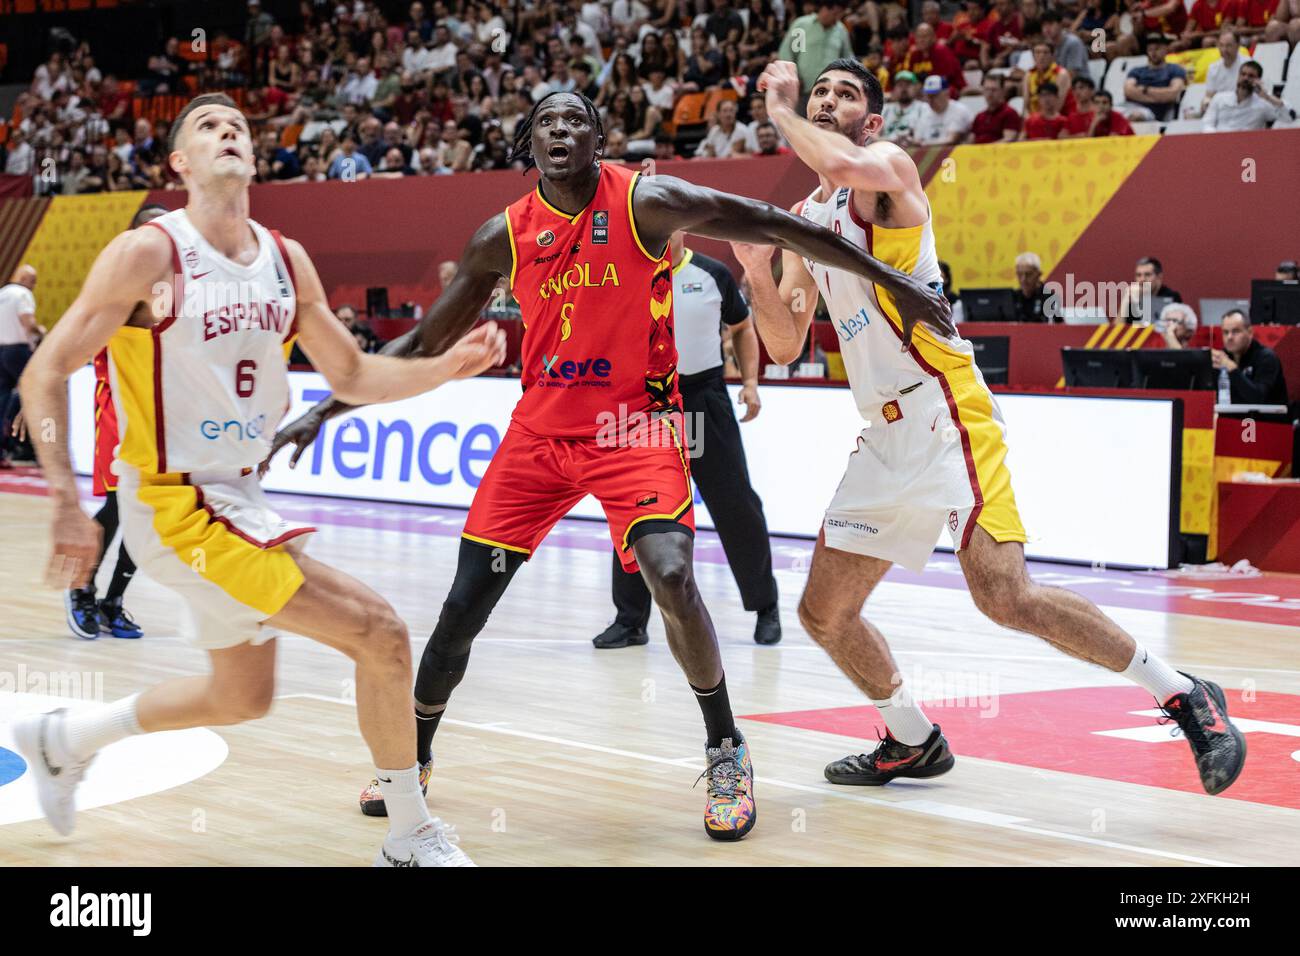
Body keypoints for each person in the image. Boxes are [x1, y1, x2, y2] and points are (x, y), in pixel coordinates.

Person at [265, 89, 951, 842]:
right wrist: (325, 409)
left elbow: (771, 223)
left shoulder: (647, 202)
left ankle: (726, 748)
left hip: (635, 428)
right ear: (529, 144)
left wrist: (895, 282)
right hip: (540, 438)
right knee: (464, 606)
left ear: (597, 138)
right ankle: (414, 754)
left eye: (576, 120)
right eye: (547, 122)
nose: (561, 130)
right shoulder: (503, 237)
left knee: (672, 573)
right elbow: (425, 340)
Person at [12, 93, 507, 868]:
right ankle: (409, 835)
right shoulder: (149, 254)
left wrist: (444, 367)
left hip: (239, 496)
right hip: (176, 501)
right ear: (178, 163)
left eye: (238, 125)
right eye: (206, 126)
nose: (228, 132)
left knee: (242, 694)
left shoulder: (285, 258)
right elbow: (44, 372)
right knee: (380, 633)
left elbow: (350, 372)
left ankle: (66, 740)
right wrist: (70, 505)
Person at [732, 57, 1246, 797]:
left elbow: (840, 161)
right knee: (823, 612)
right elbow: (782, 344)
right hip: (882, 436)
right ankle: (912, 739)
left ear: (872, 121)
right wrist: (754, 273)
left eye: (843, 94)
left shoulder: (886, 170)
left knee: (1006, 596)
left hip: (945, 409)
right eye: (818, 91)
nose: (825, 100)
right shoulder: (806, 227)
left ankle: (1182, 694)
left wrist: (780, 108)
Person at [593, 231, 780, 649]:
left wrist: (750, 382)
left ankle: (765, 606)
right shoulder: (625, 274)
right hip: (645, 403)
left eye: (671, 223)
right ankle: (630, 621)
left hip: (702, 399)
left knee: (736, 505)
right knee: (637, 508)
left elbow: (743, 327)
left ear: (683, 227)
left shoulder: (712, 274)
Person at [63, 204, 169, 643]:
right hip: (117, 410)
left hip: (159, 412)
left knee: (148, 513)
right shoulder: (114, 287)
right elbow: (68, 344)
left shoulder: (176, 291)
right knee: (117, 505)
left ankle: (113, 600)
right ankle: (81, 588)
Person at [0, 264, 39, 469]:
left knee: (2, 401)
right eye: (33, 281)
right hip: (18, 350)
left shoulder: (3, 293)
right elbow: (28, 322)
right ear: (24, 279)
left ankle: (4, 449)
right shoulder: (23, 294)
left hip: (1, 351)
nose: (34, 286)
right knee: (38, 393)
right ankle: (35, 448)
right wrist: (41, 332)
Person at [1214, 310, 1288, 405]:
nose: (1229, 337)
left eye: (1235, 331)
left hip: (1263, 418)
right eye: (1225, 332)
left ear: (1250, 332)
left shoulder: (1266, 358)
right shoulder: (1222, 357)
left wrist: (1233, 370)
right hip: (1233, 417)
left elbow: (1258, 398)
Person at [1202, 59, 1295, 131]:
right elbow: (1207, 124)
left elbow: (1289, 116)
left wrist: (1267, 96)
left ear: (1258, 80)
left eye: (1251, 76)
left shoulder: (1263, 104)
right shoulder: (1220, 98)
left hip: (1248, 149)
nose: (1245, 78)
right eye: (1243, 74)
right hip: (1218, 144)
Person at [1011, 252, 1056, 321]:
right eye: (1019, 274)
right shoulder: (1013, 297)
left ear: (1039, 274)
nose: (1023, 279)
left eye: (1028, 274)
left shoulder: (1049, 298)